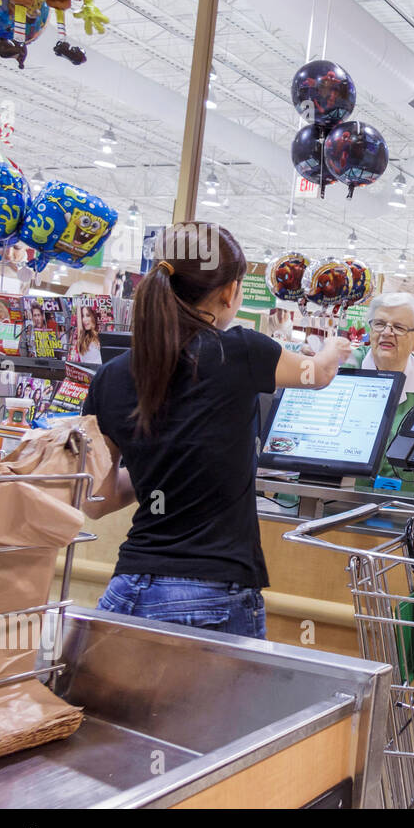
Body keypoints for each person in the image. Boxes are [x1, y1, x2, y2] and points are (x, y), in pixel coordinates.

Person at [81, 223, 352, 638]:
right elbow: (318, 374)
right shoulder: (242, 350)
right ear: (229, 292)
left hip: (128, 591)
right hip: (213, 599)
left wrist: (160, 470)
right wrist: (334, 347)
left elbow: (96, 500)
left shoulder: (110, 377)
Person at [350, 292, 414, 481]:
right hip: (337, 491)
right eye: (379, 324)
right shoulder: (344, 365)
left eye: (399, 327)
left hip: (405, 499)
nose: (387, 332)